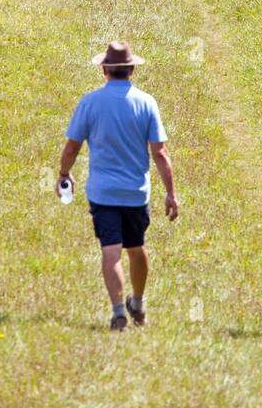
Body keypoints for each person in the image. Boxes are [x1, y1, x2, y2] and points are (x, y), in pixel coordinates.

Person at [59, 41, 179, 331]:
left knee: (110, 252)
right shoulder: (147, 103)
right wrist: (171, 193)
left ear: (104, 70)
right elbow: (159, 153)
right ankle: (137, 302)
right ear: (132, 70)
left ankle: (118, 313)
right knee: (136, 249)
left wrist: (64, 172)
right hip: (136, 192)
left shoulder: (90, 103)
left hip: (103, 192)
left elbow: (72, 146)